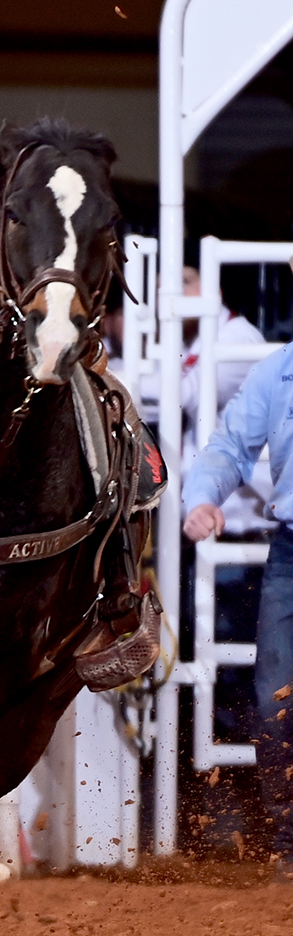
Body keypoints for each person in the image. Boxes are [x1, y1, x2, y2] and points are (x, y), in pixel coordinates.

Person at [181, 327, 293, 882]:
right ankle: (289, 847)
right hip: (290, 554)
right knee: (276, 705)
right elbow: (228, 449)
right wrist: (202, 496)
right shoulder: (278, 373)